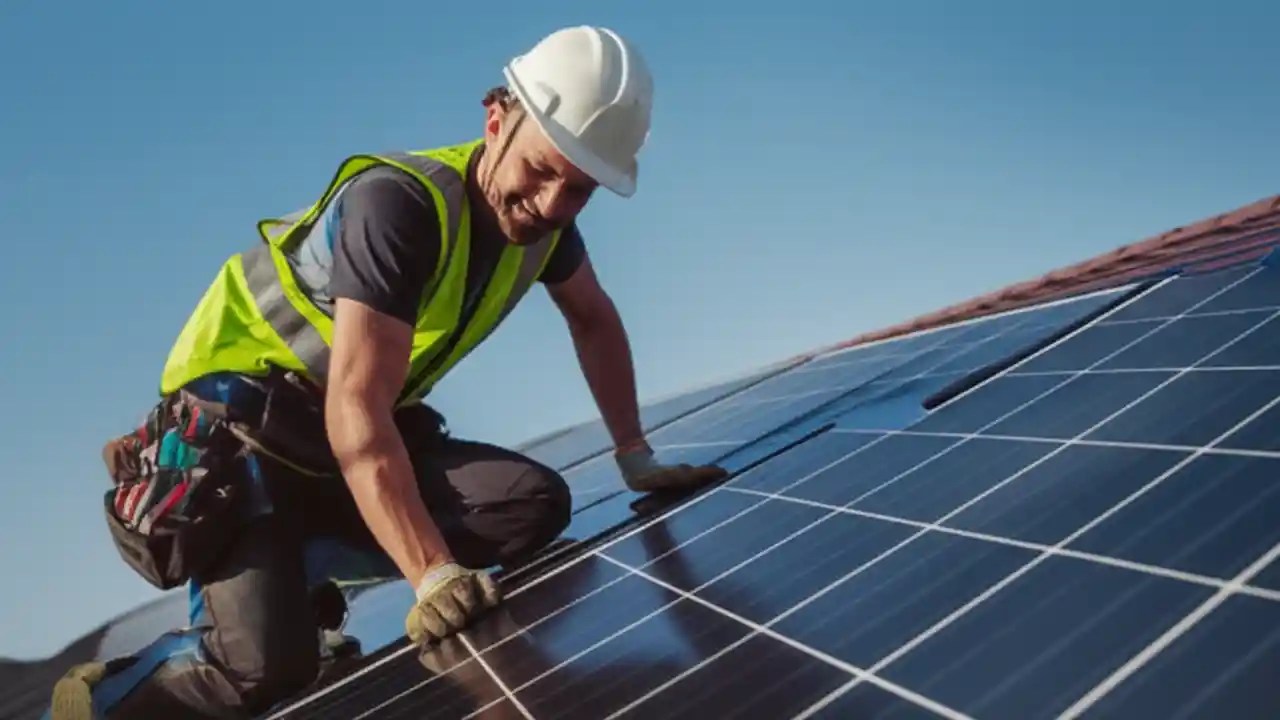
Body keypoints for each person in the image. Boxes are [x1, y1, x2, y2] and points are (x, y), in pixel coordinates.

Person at [50, 25, 728, 720]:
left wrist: (635, 456)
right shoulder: (399, 205)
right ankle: (98, 697)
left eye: (580, 189)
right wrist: (430, 574)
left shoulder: (544, 228)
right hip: (241, 431)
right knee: (260, 674)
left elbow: (593, 318)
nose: (554, 203)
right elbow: (358, 406)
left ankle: (297, 574)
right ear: (496, 121)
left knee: (529, 505)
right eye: (543, 169)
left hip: (329, 443)